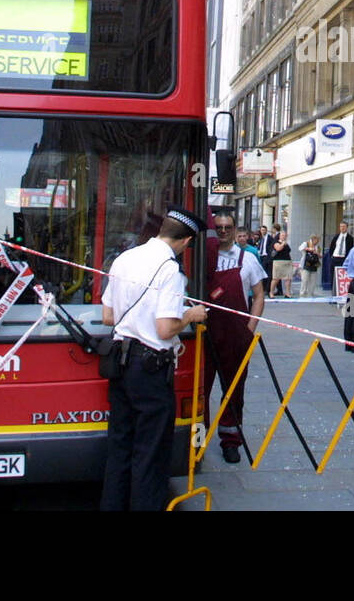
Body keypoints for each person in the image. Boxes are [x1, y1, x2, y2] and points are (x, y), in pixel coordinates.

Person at [99, 207, 208, 512]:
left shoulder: (124, 258)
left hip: (119, 362)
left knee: (120, 446)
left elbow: (108, 317)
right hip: (150, 370)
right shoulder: (170, 271)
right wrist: (191, 314)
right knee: (150, 452)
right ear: (186, 241)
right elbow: (164, 328)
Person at [203, 214, 265, 464]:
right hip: (205, 334)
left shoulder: (247, 259)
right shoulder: (204, 258)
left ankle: (230, 440)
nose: (223, 231)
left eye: (228, 227)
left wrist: (249, 328)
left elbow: (259, 295)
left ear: (236, 230)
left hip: (236, 336)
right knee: (200, 390)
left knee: (234, 390)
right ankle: (197, 443)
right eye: (218, 227)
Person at [323, 221, 350, 292]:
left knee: (342, 278)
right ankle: (333, 293)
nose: (342, 228)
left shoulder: (350, 238)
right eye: (341, 227)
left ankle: (341, 293)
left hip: (343, 259)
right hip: (335, 258)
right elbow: (332, 247)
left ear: (347, 227)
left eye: (344, 227)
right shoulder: (336, 237)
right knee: (333, 276)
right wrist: (331, 257)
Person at [270, 229, 293, 298]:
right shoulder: (276, 242)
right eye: (282, 235)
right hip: (278, 262)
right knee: (276, 278)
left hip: (287, 261)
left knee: (288, 278)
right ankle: (271, 292)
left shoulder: (286, 243)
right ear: (279, 236)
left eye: (285, 235)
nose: (284, 237)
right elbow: (278, 249)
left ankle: (287, 293)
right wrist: (283, 243)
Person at [256, 225, 274, 295]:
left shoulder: (270, 238)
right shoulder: (261, 238)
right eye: (262, 230)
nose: (263, 231)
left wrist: (270, 256)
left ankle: (267, 289)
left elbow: (272, 247)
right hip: (261, 256)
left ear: (266, 230)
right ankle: (263, 288)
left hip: (267, 257)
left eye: (264, 230)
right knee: (262, 273)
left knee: (268, 273)